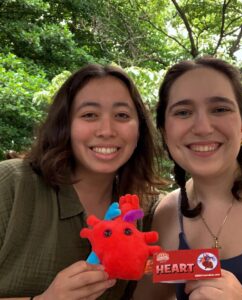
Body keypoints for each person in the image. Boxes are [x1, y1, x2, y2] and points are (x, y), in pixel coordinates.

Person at [134, 56, 242, 300]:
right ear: (165, 133)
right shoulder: (167, 214)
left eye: (220, 109)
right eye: (183, 112)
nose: (202, 127)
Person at [0, 64, 164, 299]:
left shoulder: (145, 211)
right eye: (89, 115)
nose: (106, 130)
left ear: (139, 130)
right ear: (65, 125)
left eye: (122, 116)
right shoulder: (10, 185)